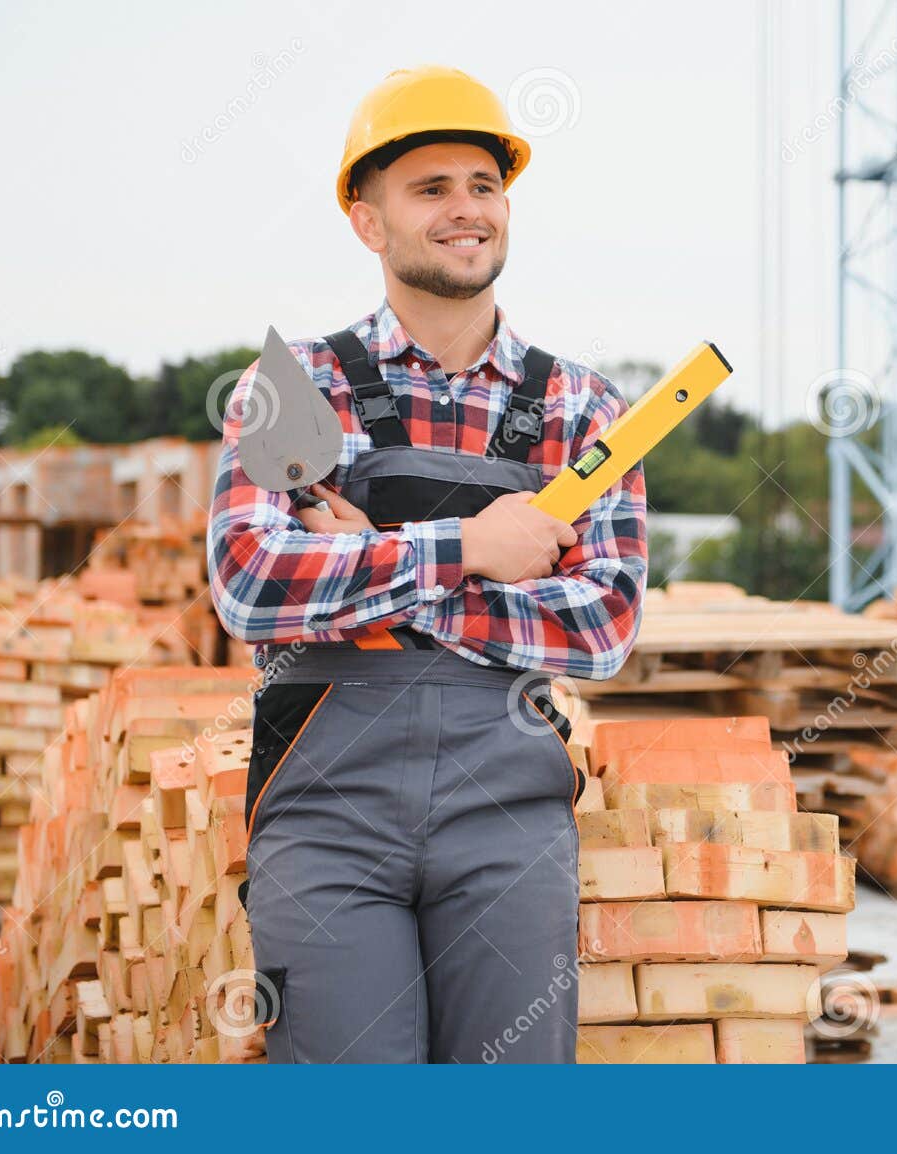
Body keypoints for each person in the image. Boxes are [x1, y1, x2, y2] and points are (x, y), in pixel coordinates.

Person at [205, 65, 648, 1063]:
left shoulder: (581, 406)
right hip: (324, 817)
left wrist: (369, 562)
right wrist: (476, 550)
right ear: (370, 222)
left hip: (509, 815)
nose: (465, 210)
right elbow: (250, 580)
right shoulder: (295, 384)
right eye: (430, 188)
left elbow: (602, 621)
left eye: (484, 185)